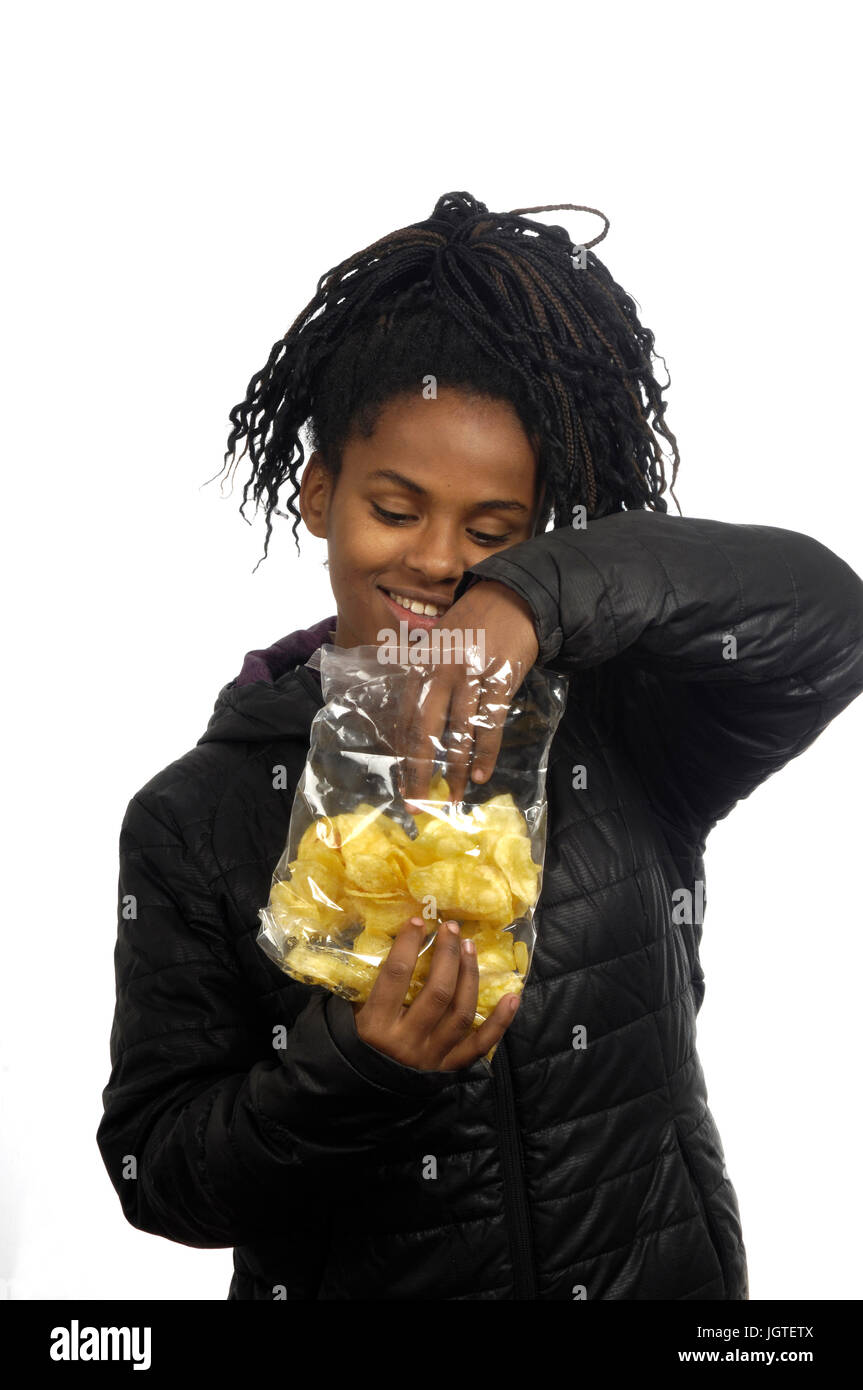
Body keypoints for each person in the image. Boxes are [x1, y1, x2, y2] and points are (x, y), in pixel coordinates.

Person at [96, 191, 863, 1300]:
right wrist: (356, 1069)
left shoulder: (620, 728)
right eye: (396, 509)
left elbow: (828, 619)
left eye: (490, 531)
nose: (435, 560)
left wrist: (529, 601)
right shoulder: (194, 814)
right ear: (321, 495)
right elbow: (155, 1171)